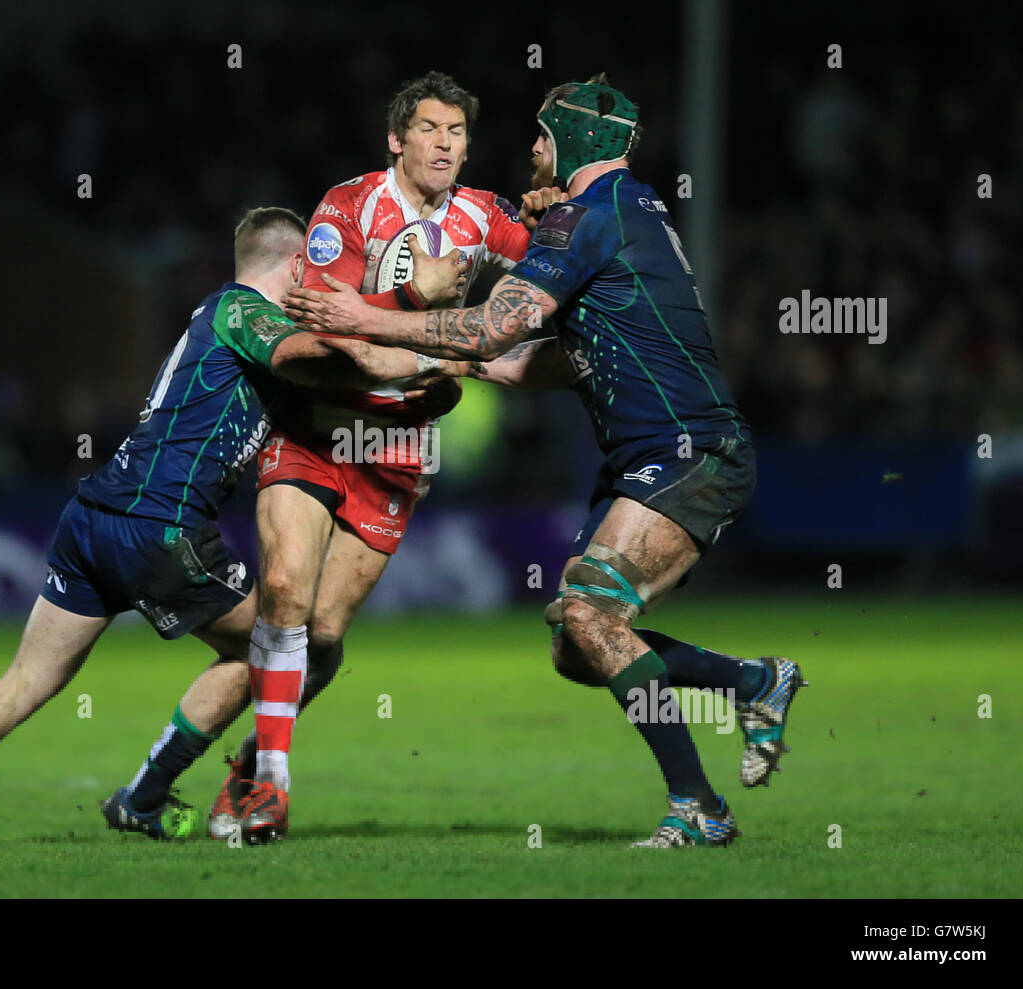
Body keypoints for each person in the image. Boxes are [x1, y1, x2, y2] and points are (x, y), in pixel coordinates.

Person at [0, 207, 466, 846]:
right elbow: (318, 360)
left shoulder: (224, 327)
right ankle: (148, 794)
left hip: (92, 520)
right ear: (298, 267)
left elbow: (320, 397)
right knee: (296, 649)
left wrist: (402, 409)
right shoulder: (242, 313)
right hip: (160, 528)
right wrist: (424, 343)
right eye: (317, 272)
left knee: (22, 684)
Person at [281, 73, 806, 848]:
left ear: (578, 141)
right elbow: (554, 356)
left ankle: (697, 806)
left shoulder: (590, 217)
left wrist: (365, 317)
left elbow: (496, 325)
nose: (532, 148)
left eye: (543, 134)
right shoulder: (628, 211)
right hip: (649, 455)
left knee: (593, 614)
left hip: (689, 447)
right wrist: (465, 364)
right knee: (577, 647)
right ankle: (751, 682)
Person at [198, 71, 561, 845]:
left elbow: (559, 276)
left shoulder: (487, 218)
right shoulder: (347, 207)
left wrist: (549, 215)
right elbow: (333, 334)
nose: (444, 144)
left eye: (456, 133)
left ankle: (250, 765)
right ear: (397, 139)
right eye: (428, 129)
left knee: (322, 637)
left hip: (396, 447)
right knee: (286, 590)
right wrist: (442, 334)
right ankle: (274, 791)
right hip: (318, 429)